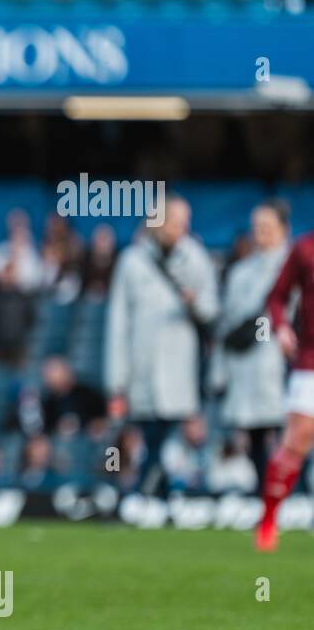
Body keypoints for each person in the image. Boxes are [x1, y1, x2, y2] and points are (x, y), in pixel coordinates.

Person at [104, 195, 219, 494]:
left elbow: (212, 312)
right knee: (150, 435)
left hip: (181, 366)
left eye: (184, 221)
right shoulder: (132, 261)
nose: (181, 227)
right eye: (175, 221)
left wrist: (194, 303)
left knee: (169, 437)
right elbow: (118, 323)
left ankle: (151, 495)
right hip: (142, 365)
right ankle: (154, 496)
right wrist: (116, 382)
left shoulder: (196, 258)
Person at [212, 201, 290, 487]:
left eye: (268, 227)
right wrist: (220, 371)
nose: (262, 234)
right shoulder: (240, 273)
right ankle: (265, 494)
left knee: (292, 436)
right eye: (258, 227)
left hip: (283, 365)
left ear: (284, 229)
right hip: (246, 367)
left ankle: (295, 496)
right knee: (256, 436)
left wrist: (262, 335)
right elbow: (227, 324)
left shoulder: (296, 267)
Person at [256, 219, 314, 551]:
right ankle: (268, 521)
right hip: (310, 361)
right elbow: (277, 295)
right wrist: (280, 328)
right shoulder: (304, 249)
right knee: (296, 442)